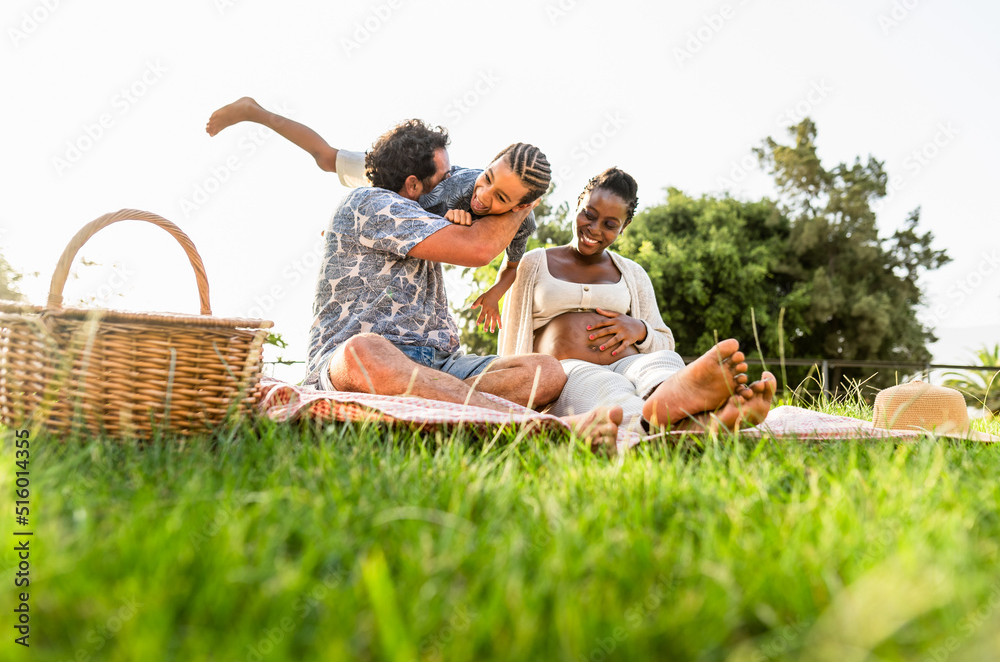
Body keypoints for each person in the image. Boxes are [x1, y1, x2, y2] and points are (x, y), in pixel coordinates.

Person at [212, 113, 622, 442]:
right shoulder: (368, 201)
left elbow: (487, 220)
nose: (460, 185)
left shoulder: (435, 208)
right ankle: (537, 429)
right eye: (444, 178)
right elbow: (480, 250)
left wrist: (519, 191)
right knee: (364, 352)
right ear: (413, 185)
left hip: (440, 366)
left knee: (546, 371)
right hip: (360, 363)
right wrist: (522, 204)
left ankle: (446, 409)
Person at [206, 96, 534, 332]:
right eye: (445, 176)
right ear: (416, 185)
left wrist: (494, 290)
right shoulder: (425, 179)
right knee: (325, 157)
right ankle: (254, 110)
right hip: (401, 174)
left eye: (503, 198)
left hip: (409, 196)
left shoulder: (485, 203)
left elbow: (499, 254)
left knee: (329, 164)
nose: (478, 192)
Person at [497, 167, 776, 434]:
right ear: (578, 203)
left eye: (609, 224)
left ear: (624, 226)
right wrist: (514, 394)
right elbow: (510, 335)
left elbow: (664, 340)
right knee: (605, 386)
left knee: (663, 362)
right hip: (567, 371)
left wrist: (640, 330)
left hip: (628, 362)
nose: (594, 229)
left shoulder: (633, 273)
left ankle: (687, 409)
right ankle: (687, 423)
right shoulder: (531, 263)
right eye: (589, 214)